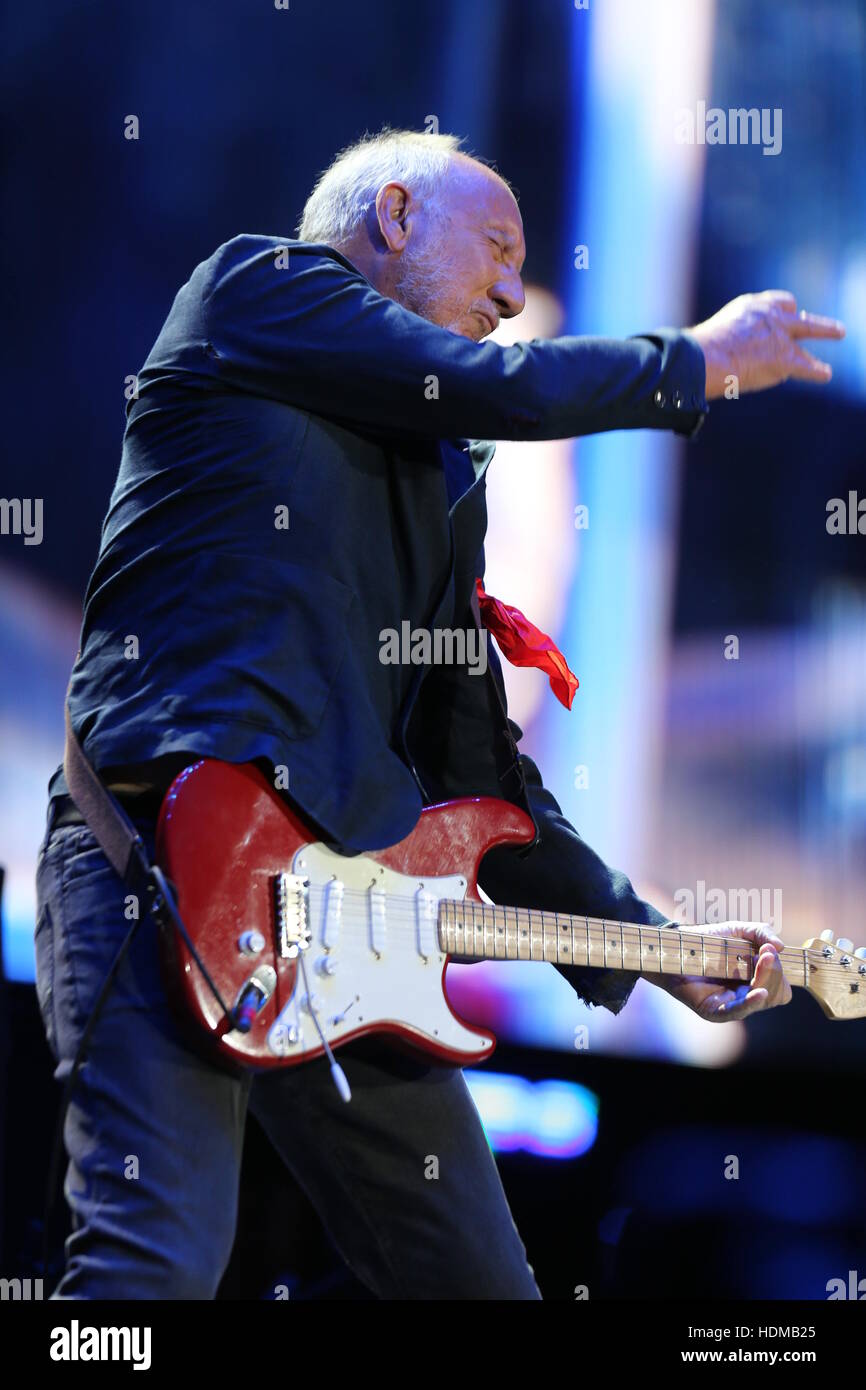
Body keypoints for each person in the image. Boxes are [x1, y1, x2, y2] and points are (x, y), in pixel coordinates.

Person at [35, 127, 841, 1301]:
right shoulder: (252, 290)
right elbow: (484, 382)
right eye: (497, 249)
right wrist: (693, 362)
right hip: (153, 862)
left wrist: (657, 950)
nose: (512, 293)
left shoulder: (442, 480)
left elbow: (482, 776)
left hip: (350, 928)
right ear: (396, 215)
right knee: (145, 1273)